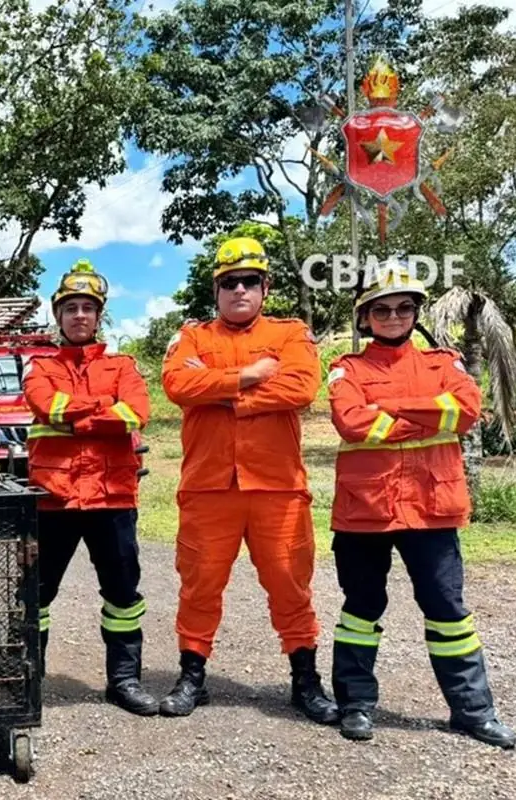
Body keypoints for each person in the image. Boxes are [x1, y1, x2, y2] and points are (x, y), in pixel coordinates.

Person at [326, 267, 516, 748]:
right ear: (366, 318)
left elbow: (467, 412)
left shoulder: (445, 361)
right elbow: (352, 422)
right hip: (366, 508)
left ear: (415, 313)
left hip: (431, 508)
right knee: (360, 611)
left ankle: (473, 712)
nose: (394, 316)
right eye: (382, 309)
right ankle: (354, 705)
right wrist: (428, 410)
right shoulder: (346, 368)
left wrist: (389, 408)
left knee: (448, 611)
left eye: (404, 307)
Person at [159, 237, 338, 724]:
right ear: (216, 290)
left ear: (265, 286)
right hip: (208, 488)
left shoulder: (290, 333)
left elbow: (300, 386)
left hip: (276, 488)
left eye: (249, 281)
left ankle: (306, 679)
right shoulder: (192, 337)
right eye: (228, 282)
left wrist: (223, 390)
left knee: (289, 585)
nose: (238, 289)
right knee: (199, 584)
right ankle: (191, 677)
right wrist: (253, 374)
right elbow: (178, 385)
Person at [22, 259, 156, 716]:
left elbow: (136, 413)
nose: (79, 315)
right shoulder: (38, 366)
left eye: (88, 308)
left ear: (100, 317)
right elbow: (46, 407)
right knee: (36, 594)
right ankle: (29, 679)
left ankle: (124, 681)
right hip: (53, 499)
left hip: (112, 498)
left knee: (122, 594)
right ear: (58, 317)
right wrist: (105, 408)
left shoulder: (124, 366)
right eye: (71, 308)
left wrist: (81, 412)